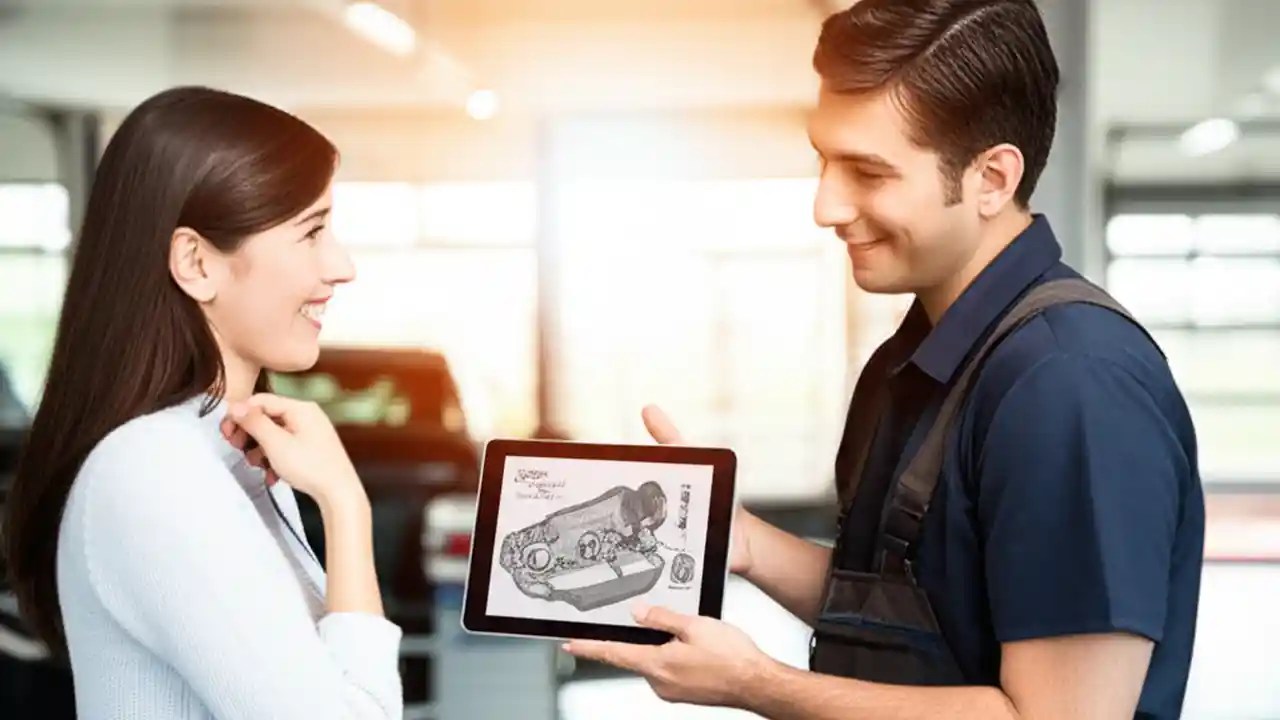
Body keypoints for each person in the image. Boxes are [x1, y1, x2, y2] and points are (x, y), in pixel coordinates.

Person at [563, 1, 1205, 718]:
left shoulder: (1069, 385)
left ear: (992, 178)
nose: (825, 204)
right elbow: (915, 622)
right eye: (823, 160)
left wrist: (756, 684)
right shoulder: (912, 360)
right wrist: (737, 538)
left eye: (867, 172)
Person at [2, 86, 403, 719]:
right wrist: (346, 506)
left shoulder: (224, 453)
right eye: (312, 231)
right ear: (196, 262)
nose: (342, 265)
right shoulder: (153, 472)